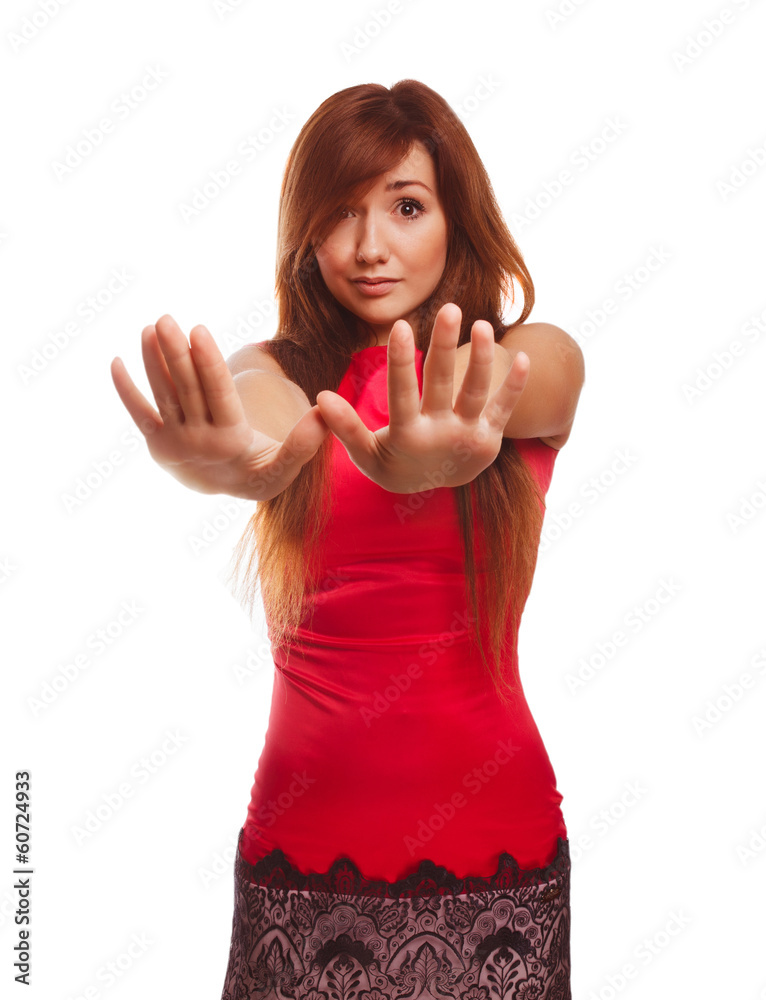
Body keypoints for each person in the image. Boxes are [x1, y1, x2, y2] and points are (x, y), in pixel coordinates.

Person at [110, 79, 585, 1000]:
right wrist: (237, 457)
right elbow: (257, 405)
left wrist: (447, 435)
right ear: (306, 236)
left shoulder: (528, 357)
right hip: (303, 852)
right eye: (340, 214)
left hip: (496, 847)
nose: (370, 247)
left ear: (457, 217)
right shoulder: (284, 377)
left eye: (406, 206)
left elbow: (542, 376)